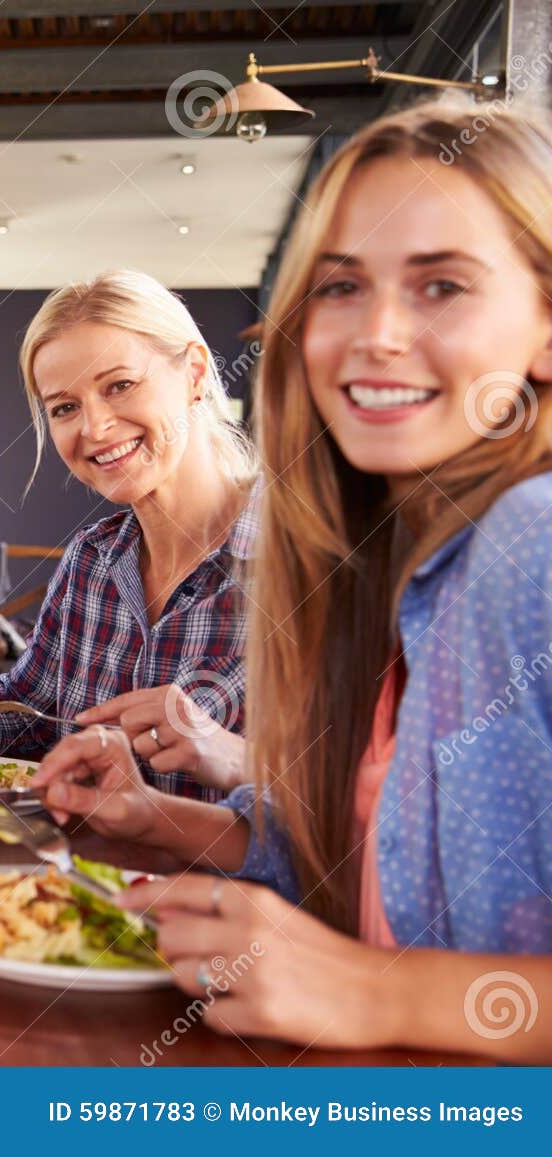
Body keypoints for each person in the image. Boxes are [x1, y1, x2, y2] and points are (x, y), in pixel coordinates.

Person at [33, 97, 552, 1061]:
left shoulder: (533, 541)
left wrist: (379, 993)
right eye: (342, 286)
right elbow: (345, 858)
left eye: (442, 285)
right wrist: (153, 813)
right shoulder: (387, 557)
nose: (377, 334)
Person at [0, 270, 256, 798]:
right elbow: (24, 724)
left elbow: (350, 800)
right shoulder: (90, 561)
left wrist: (236, 758)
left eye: (120, 385)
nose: (94, 428)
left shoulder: (314, 560)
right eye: (65, 407)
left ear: (194, 374)